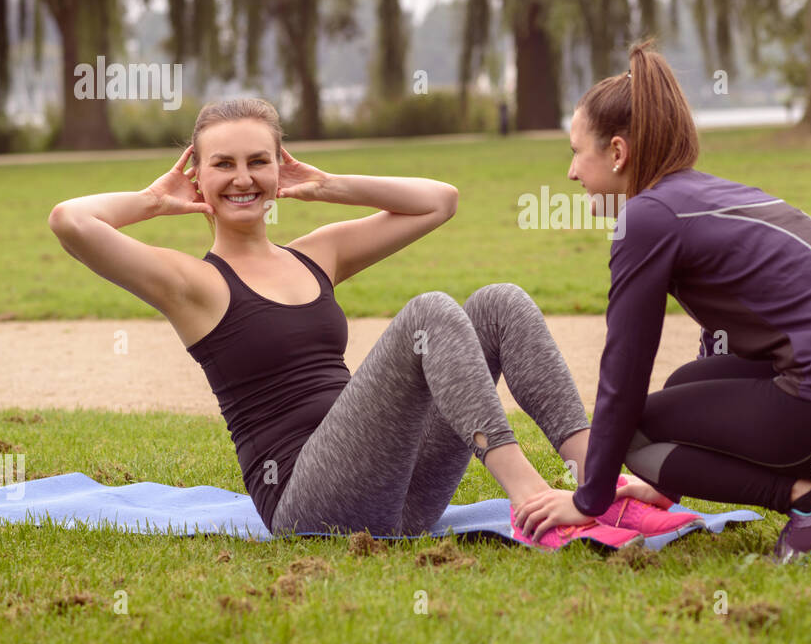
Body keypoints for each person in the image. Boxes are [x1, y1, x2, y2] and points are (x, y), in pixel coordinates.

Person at [48, 98, 696, 550]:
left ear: (280, 167)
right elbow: (71, 221)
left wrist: (326, 184)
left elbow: (439, 201)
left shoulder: (316, 253)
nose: (243, 178)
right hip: (309, 505)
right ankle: (530, 500)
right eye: (223, 164)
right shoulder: (191, 283)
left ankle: (596, 478)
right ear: (198, 173)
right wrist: (156, 200)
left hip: (398, 496)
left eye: (258, 161)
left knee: (497, 301)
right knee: (429, 315)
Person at [514, 41, 811, 561]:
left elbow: (624, 372)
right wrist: (673, 473)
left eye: (575, 151)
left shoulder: (646, 218)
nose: (570, 173)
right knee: (689, 383)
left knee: (632, 428)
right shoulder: (712, 194)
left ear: (616, 152)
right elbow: (720, 355)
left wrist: (590, 498)